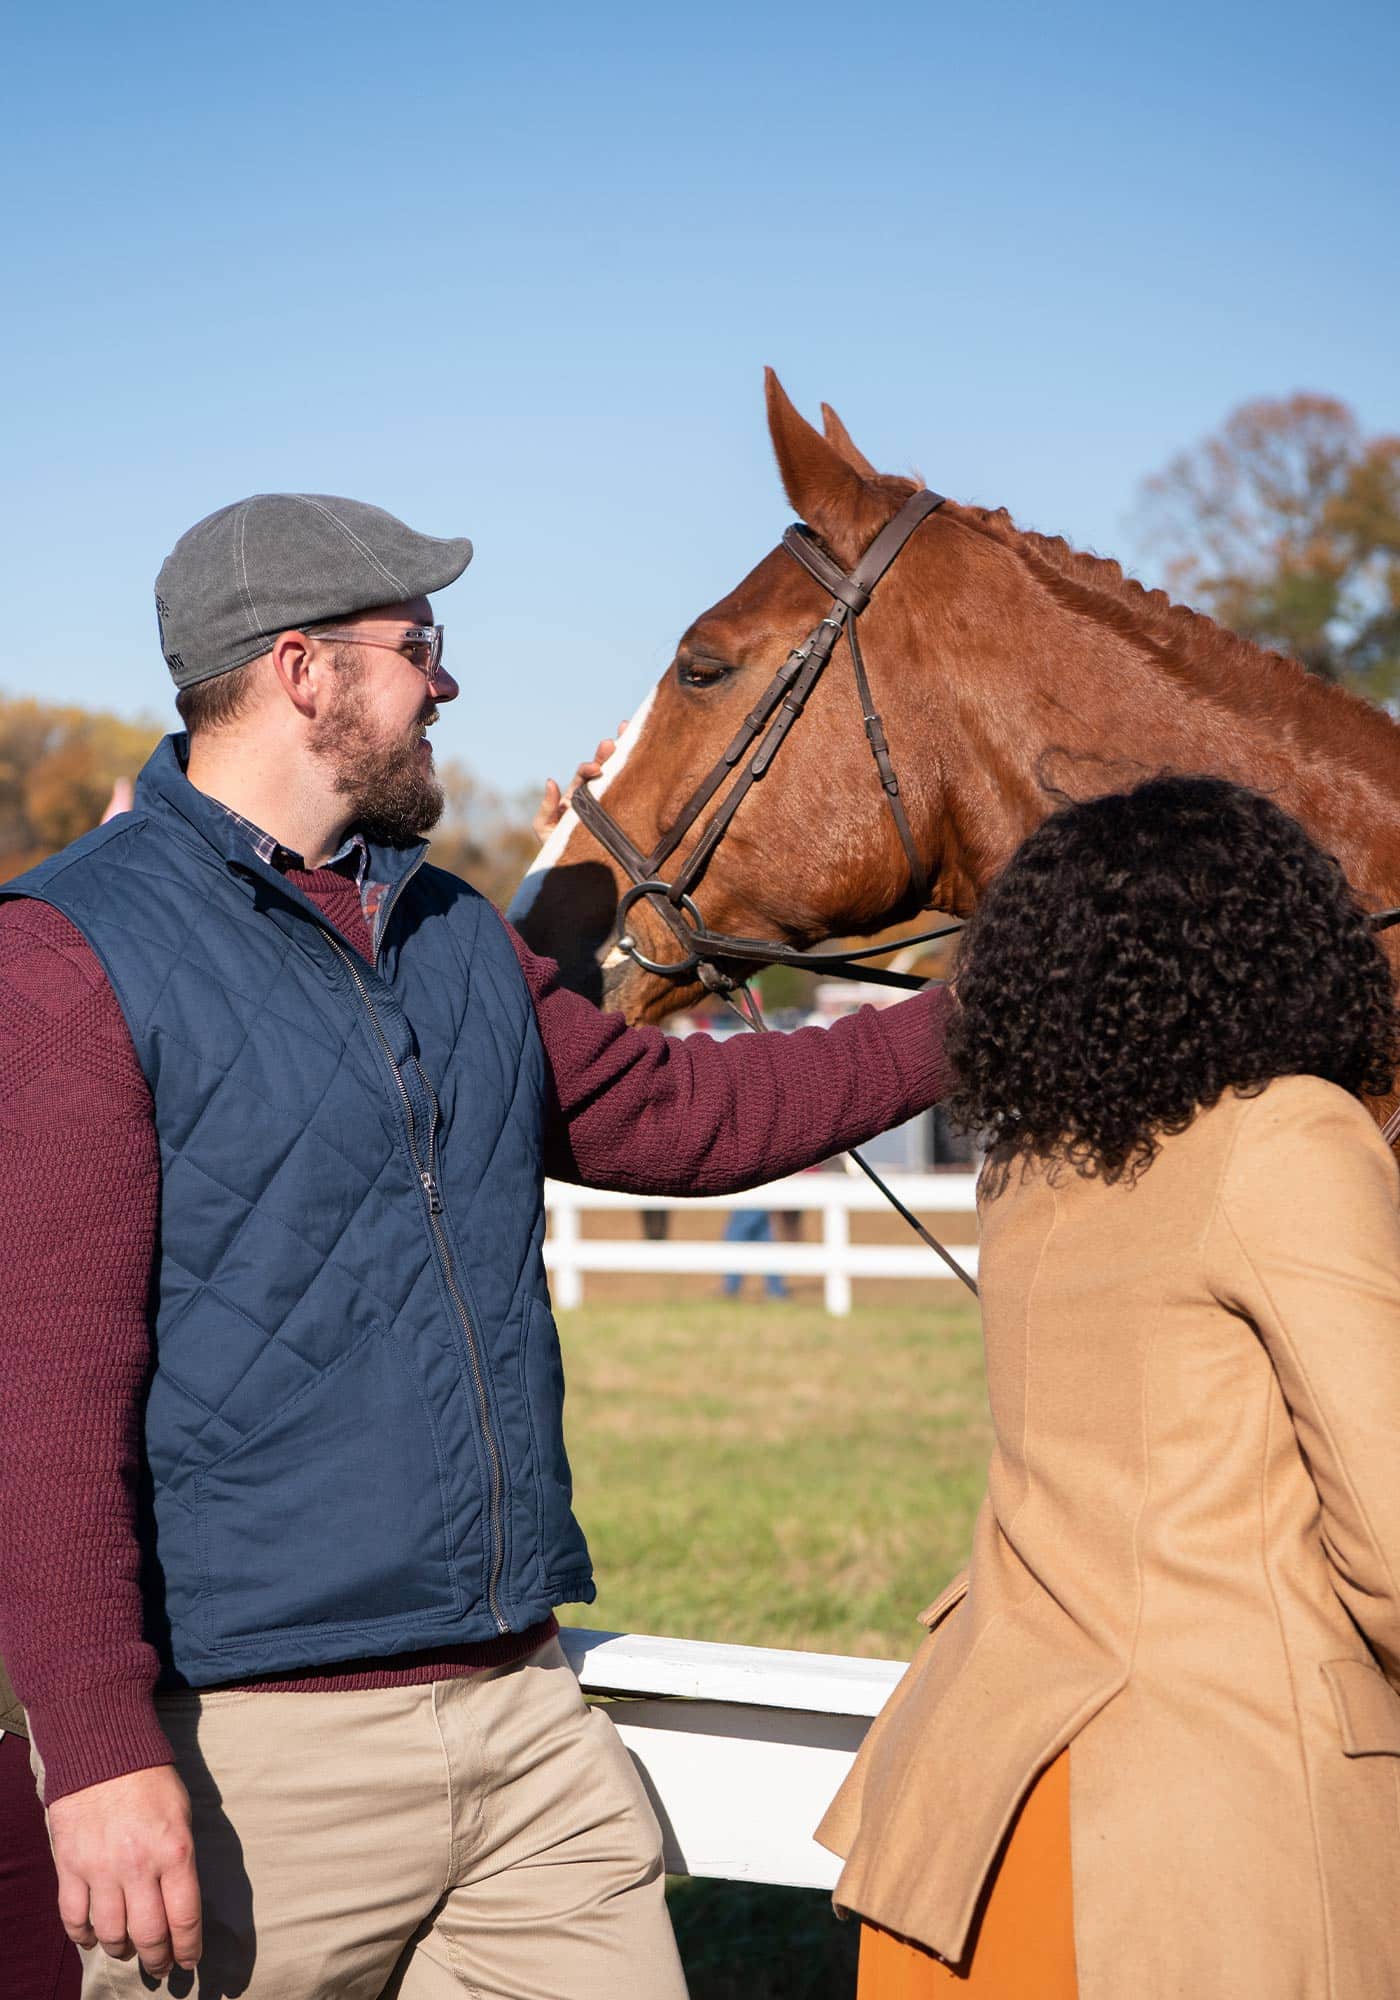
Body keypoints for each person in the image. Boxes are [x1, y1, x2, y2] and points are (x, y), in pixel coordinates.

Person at [0, 491, 957, 2000]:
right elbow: (41, 1410)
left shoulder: (452, 930)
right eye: (418, 643)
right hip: (253, 1762)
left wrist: (977, 1017)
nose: (446, 680)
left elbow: (673, 1116)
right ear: (301, 671)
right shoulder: (66, 953)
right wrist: (101, 1756)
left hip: (524, 1730)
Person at [820, 776, 1400, 2000]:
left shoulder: (1028, 1159)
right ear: (1287, 944)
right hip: (1205, 1845)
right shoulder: (1290, 1135)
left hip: (974, 1816)